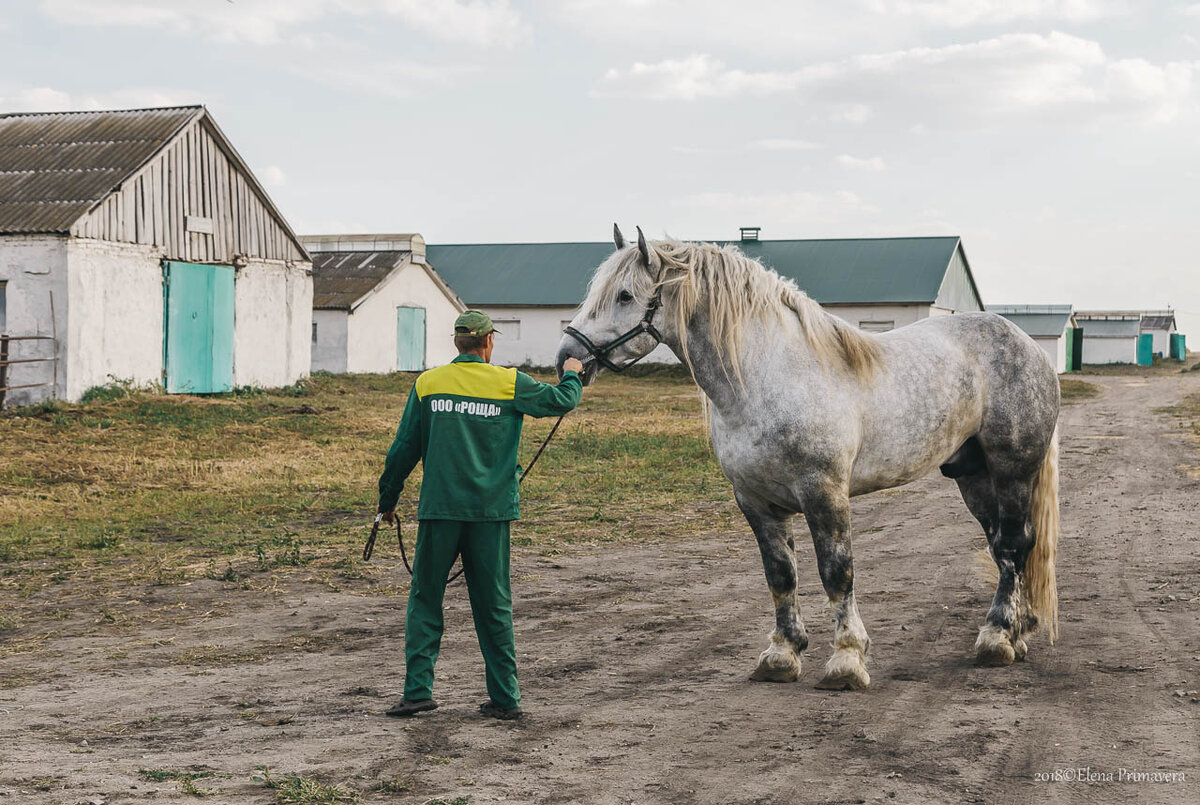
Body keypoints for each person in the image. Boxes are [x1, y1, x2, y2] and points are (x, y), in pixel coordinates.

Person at [377, 309, 585, 720]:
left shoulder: (428, 384)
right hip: (491, 516)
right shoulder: (510, 383)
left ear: (458, 343)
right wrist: (573, 372)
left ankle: (418, 691)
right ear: (488, 343)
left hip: (440, 512)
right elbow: (563, 400)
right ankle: (505, 698)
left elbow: (404, 449)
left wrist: (388, 500)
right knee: (493, 605)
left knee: (425, 600)